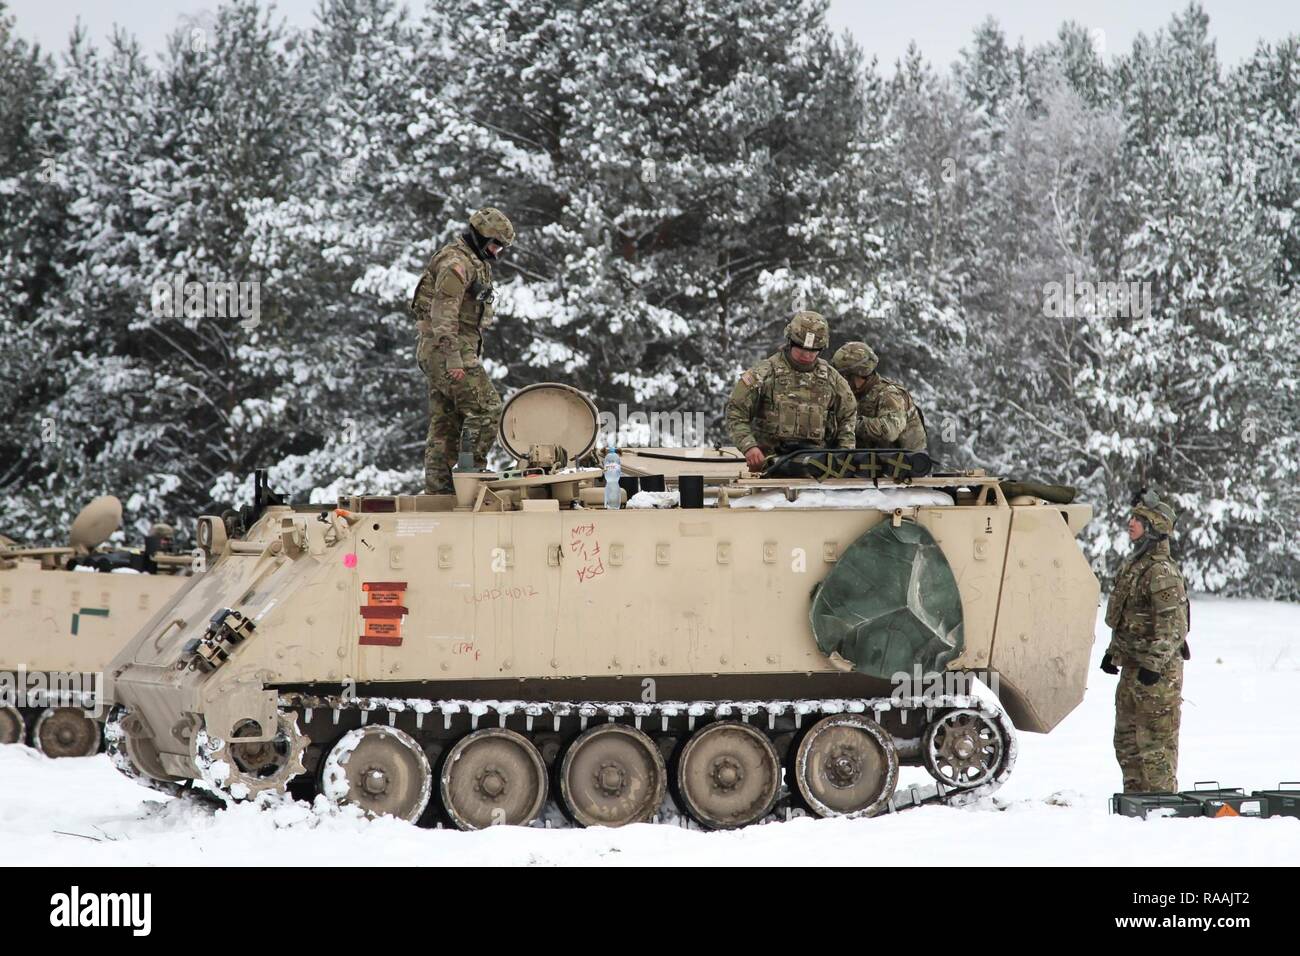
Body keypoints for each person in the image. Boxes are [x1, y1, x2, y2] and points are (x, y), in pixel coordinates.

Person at [411, 207, 515, 493]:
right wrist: (453, 358)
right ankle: (471, 477)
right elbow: (443, 313)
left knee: (447, 420)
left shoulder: (473, 261)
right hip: (447, 348)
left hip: (444, 349)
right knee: (486, 408)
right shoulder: (456, 262)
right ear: (479, 236)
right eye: (494, 244)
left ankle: (440, 490)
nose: (496, 252)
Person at [1101, 490, 1190, 793]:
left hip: (1157, 676)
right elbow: (1130, 619)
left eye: (1138, 520)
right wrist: (1113, 653)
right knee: (1126, 742)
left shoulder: (1161, 572)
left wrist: (1153, 665)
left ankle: (1162, 806)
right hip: (1133, 669)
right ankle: (1136, 804)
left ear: (1153, 528)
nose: (1130, 523)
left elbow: (1174, 628)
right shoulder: (1135, 567)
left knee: (1155, 746)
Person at [724, 311, 857, 472]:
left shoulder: (832, 378)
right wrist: (749, 446)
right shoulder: (763, 373)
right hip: (770, 468)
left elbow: (848, 414)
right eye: (801, 350)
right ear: (790, 342)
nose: (807, 355)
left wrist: (844, 453)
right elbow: (735, 413)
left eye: (813, 351)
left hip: (818, 470)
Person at [829, 341, 927, 451]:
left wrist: (849, 423)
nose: (840, 381)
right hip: (867, 459)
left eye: (843, 377)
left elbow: (889, 431)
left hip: (902, 461)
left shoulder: (889, 394)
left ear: (858, 375)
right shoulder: (852, 392)